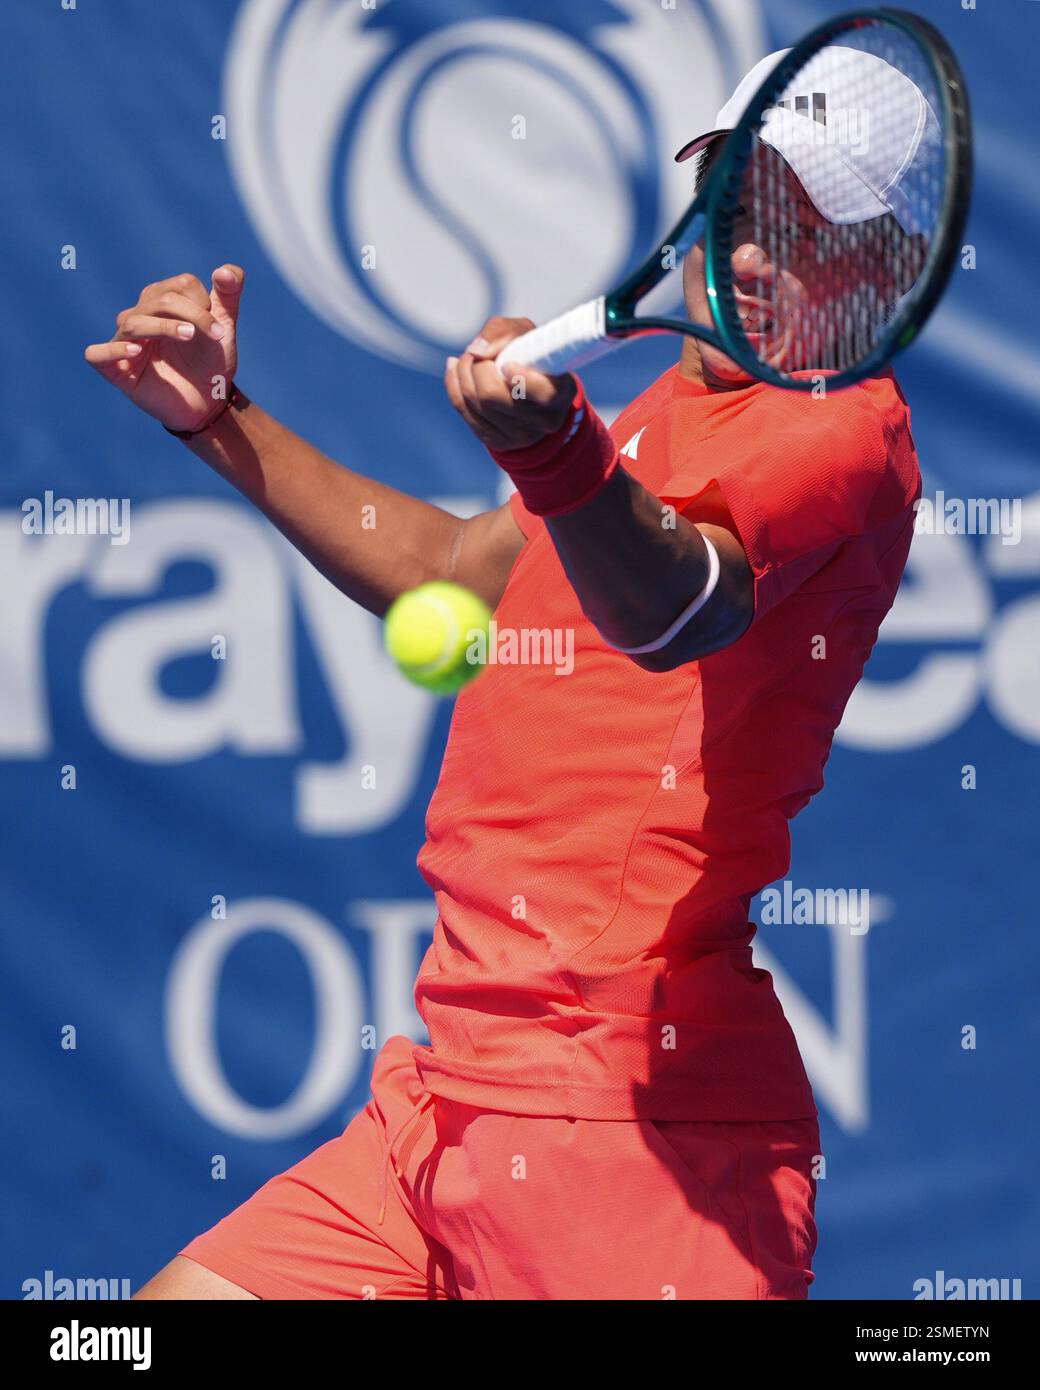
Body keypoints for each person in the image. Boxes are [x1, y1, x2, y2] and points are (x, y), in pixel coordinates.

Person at [86, 51, 922, 1300]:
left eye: (809, 233)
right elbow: (455, 576)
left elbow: (674, 608)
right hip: (446, 1102)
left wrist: (562, 458)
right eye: (741, 208)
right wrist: (220, 420)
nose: (752, 257)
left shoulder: (839, 427)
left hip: (640, 1145)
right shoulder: (653, 411)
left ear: (892, 274)